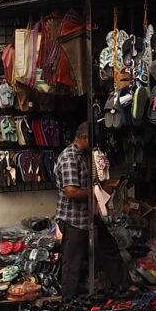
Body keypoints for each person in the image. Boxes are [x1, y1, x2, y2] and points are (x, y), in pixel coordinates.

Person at [54, 122, 101, 301]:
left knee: (106, 250)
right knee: (72, 263)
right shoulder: (69, 157)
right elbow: (71, 191)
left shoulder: (83, 156)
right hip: (72, 220)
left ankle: (124, 285)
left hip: (87, 217)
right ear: (84, 138)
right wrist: (97, 193)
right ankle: (67, 301)